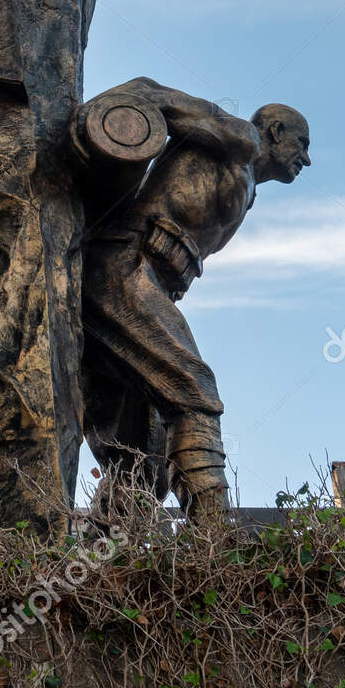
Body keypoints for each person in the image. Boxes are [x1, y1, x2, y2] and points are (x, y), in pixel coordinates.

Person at [77, 80, 311, 517]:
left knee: (142, 461)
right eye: (302, 142)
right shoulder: (239, 138)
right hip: (120, 268)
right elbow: (148, 91)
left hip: (142, 285)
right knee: (194, 390)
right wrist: (97, 123)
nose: (307, 158)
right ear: (276, 132)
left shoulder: (249, 188)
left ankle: (102, 568)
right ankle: (218, 541)